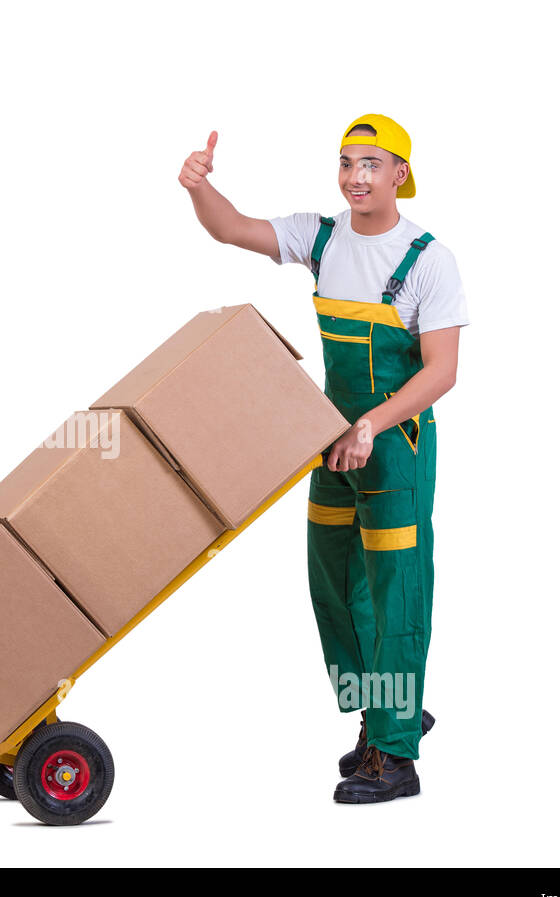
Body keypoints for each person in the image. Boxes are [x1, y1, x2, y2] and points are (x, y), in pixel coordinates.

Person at [178, 114, 468, 804]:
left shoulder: (429, 258)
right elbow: (234, 228)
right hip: (332, 444)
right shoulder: (324, 236)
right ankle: (384, 710)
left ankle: (395, 757)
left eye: (371, 163)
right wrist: (198, 189)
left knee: (396, 592)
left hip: (394, 447)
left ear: (400, 173)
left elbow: (442, 371)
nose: (355, 176)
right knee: (336, 581)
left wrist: (370, 423)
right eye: (345, 162)